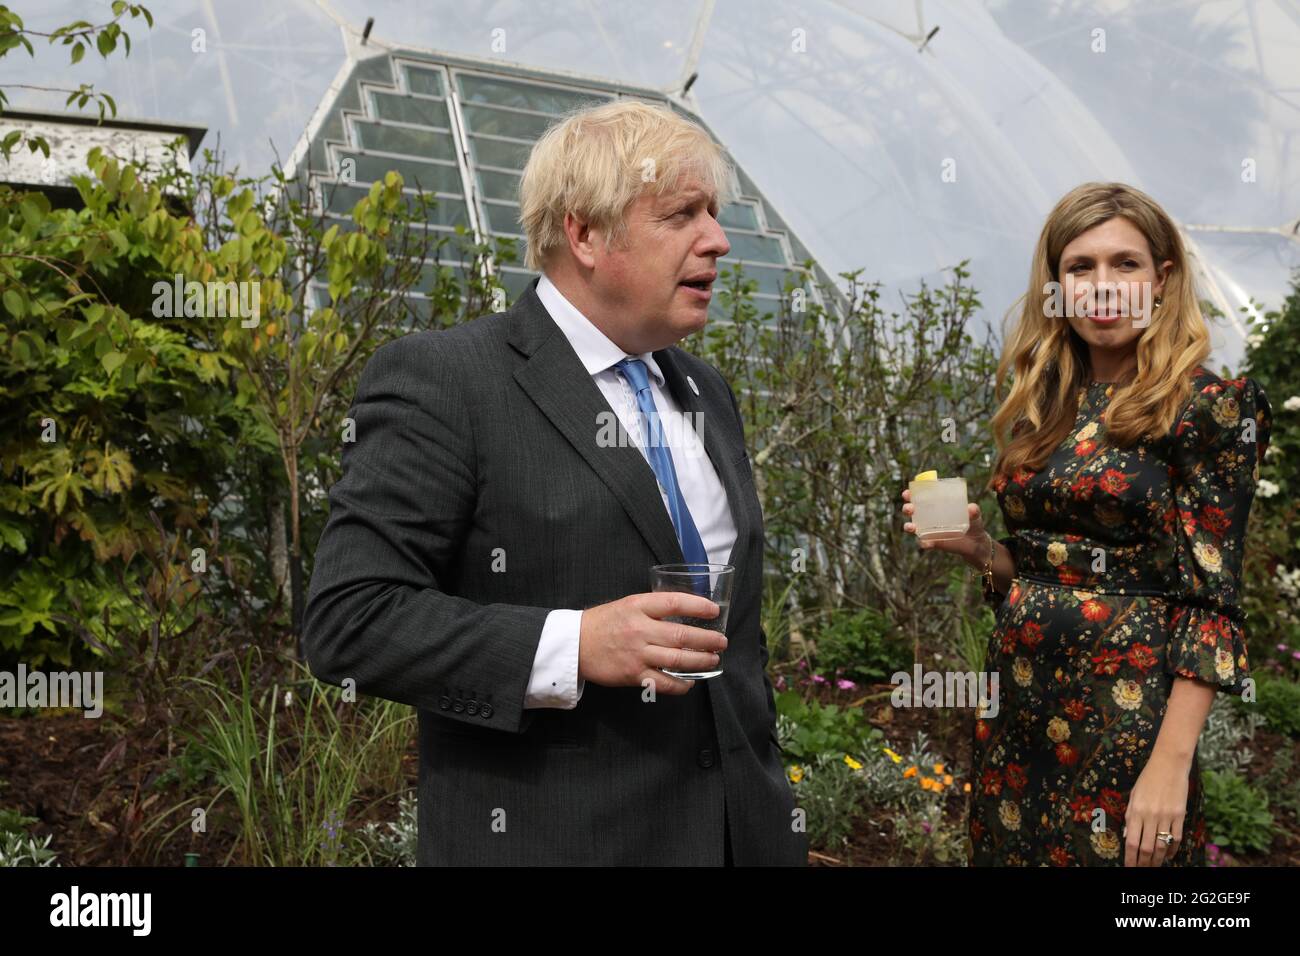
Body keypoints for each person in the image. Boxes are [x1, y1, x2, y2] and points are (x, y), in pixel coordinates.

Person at [303, 99, 806, 866]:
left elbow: (738, 646)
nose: (720, 240)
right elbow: (351, 620)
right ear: (585, 233)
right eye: (682, 214)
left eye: (714, 212)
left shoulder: (707, 393)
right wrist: (573, 645)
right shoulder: (449, 383)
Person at [900, 182, 1271, 866]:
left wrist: (1169, 767)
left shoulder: (1210, 409)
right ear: (1057, 285)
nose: (1104, 286)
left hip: (1128, 723)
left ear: (1162, 279)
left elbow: (1211, 602)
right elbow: (1036, 572)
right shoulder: (1043, 406)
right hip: (1017, 716)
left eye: (1125, 264)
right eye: (1081, 267)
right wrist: (980, 549)